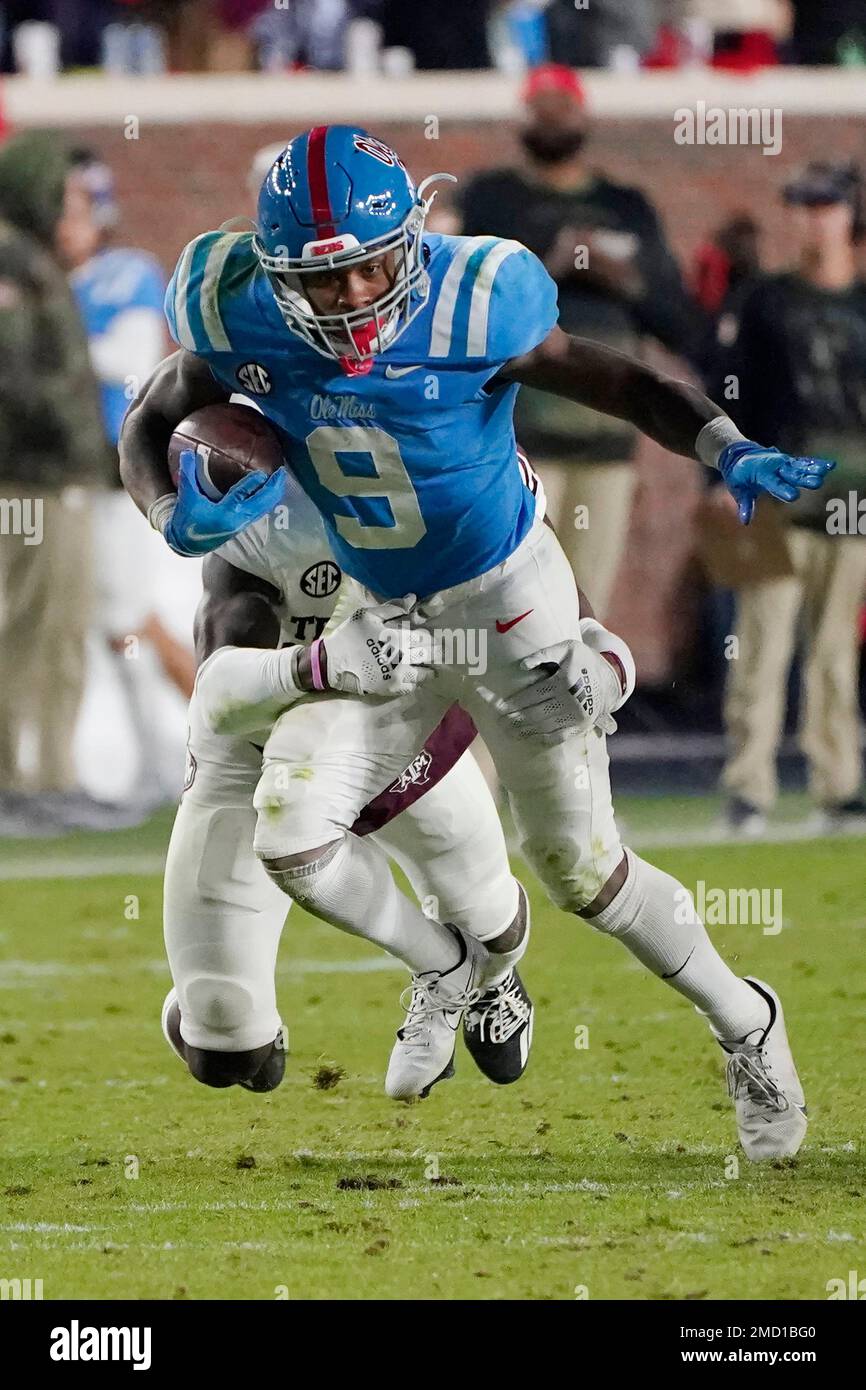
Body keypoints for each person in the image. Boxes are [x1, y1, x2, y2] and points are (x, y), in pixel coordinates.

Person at [120, 125, 833, 1161]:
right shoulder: (230, 306)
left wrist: (720, 445)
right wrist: (162, 513)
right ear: (273, 278)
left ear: (411, 239)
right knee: (291, 833)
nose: (353, 295)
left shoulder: (476, 297)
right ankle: (448, 962)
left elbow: (621, 380)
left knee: (582, 874)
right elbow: (153, 413)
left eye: (369, 264)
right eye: (319, 280)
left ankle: (745, 1021)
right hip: (386, 617)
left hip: (507, 601)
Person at [160, 464, 566, 1094]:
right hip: (253, 744)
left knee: (491, 921)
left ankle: (491, 978)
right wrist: (317, 663)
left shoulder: (443, 467)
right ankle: (442, 964)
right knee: (227, 1048)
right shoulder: (259, 514)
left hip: (391, 729)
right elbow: (218, 693)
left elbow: (523, 591)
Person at [458, 64, 701, 619]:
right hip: (517, 439)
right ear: (521, 120)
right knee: (508, 601)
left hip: (607, 441)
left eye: (561, 108)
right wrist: (549, 265)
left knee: (587, 608)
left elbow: (680, 323)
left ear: (584, 116)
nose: (551, 120)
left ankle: (583, 707)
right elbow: (465, 307)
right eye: (539, 109)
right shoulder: (492, 202)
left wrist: (627, 280)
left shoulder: (626, 207)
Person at [713, 162, 866, 835]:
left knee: (835, 652)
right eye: (802, 205)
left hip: (853, 496)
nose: (813, 218)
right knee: (762, 645)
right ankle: (750, 788)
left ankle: (839, 786)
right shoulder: (764, 299)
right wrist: (720, 472)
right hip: (775, 491)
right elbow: (730, 391)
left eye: (825, 204)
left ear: (848, 214)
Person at [63, 148, 197, 809]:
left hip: (120, 469)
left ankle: (189, 754)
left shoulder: (124, 274)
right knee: (111, 622)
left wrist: (50, 341)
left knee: (127, 620)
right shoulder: (47, 281)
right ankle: (161, 758)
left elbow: (129, 359)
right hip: (69, 474)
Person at [0, 131, 114, 835]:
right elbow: (13, 379)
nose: (78, 208)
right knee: (32, 630)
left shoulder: (34, 259)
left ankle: (54, 770)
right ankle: (25, 778)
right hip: (30, 481)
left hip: (54, 477)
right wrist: (75, 439)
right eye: (68, 194)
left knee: (61, 629)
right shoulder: (14, 262)